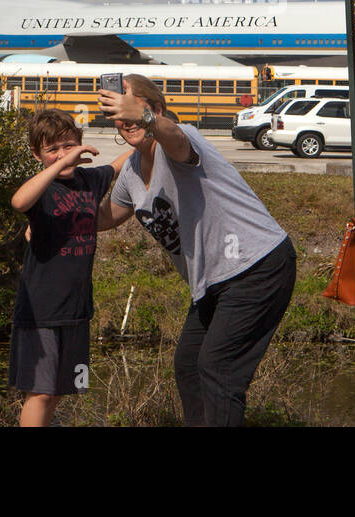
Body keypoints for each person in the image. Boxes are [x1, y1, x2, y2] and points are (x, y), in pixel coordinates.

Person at [98, 74, 296, 427]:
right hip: (213, 282)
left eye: (136, 112)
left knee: (218, 368)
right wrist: (57, 199)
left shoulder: (181, 138)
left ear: (156, 109)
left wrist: (144, 117)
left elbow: (173, 137)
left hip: (257, 265)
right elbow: (106, 217)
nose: (128, 122)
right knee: (189, 364)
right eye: (121, 117)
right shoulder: (129, 170)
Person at [8, 108, 129, 426]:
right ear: (37, 155)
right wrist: (60, 164)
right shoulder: (42, 189)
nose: (62, 155)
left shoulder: (90, 179)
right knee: (40, 391)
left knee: (62, 389)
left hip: (76, 308)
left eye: (68, 146)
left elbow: (120, 164)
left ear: (80, 143)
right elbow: (19, 202)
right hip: (41, 310)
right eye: (52, 150)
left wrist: (152, 134)